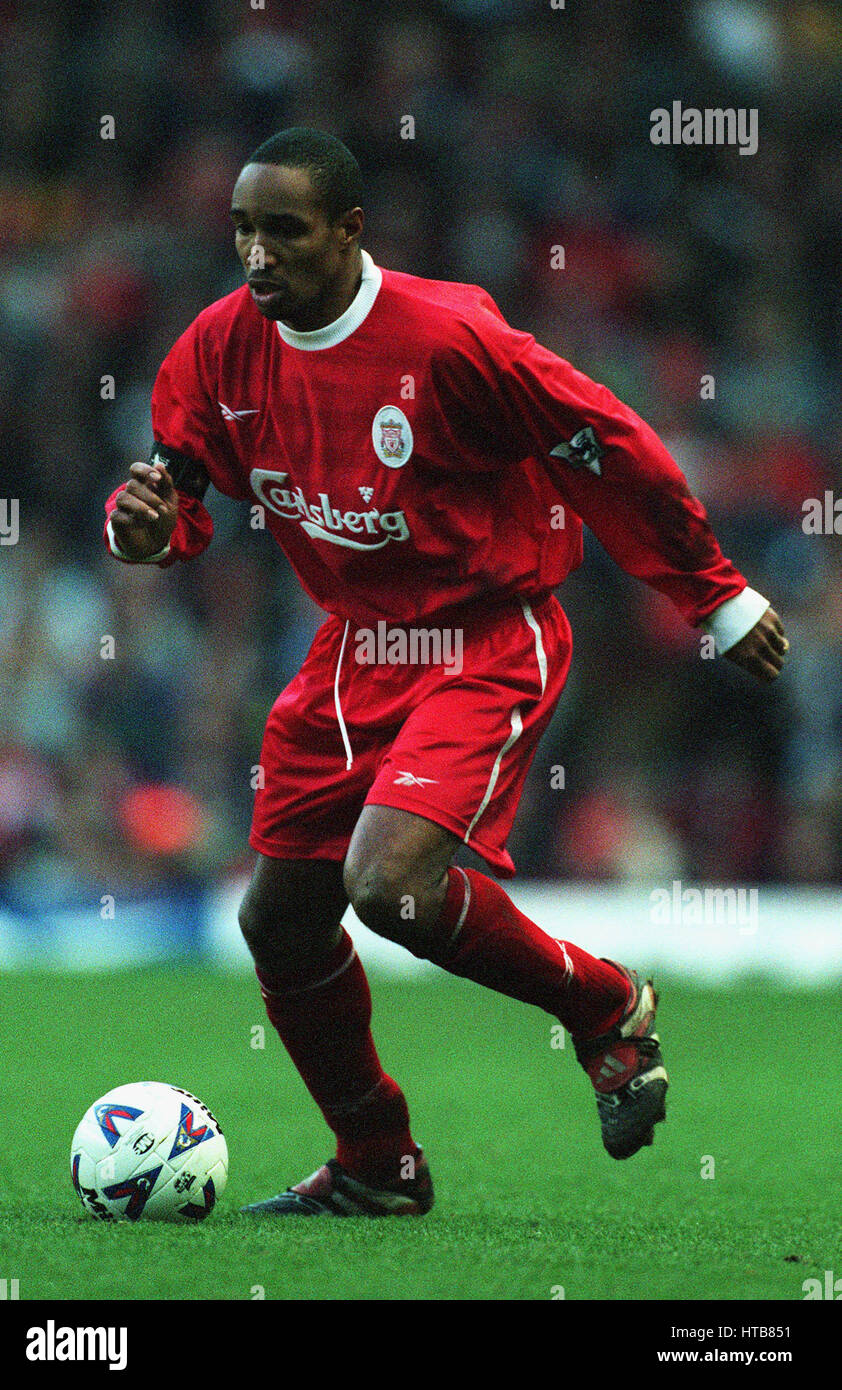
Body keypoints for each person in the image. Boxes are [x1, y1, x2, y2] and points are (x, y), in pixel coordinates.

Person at [103, 127, 788, 1217]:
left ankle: (603, 1006)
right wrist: (142, 531)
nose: (256, 255)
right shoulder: (219, 348)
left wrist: (709, 588)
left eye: (283, 231)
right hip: (349, 650)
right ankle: (377, 1163)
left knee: (388, 889)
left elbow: (602, 438)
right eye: (242, 230)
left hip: (484, 636)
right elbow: (176, 495)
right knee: (277, 922)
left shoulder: (450, 336)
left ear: (348, 231)